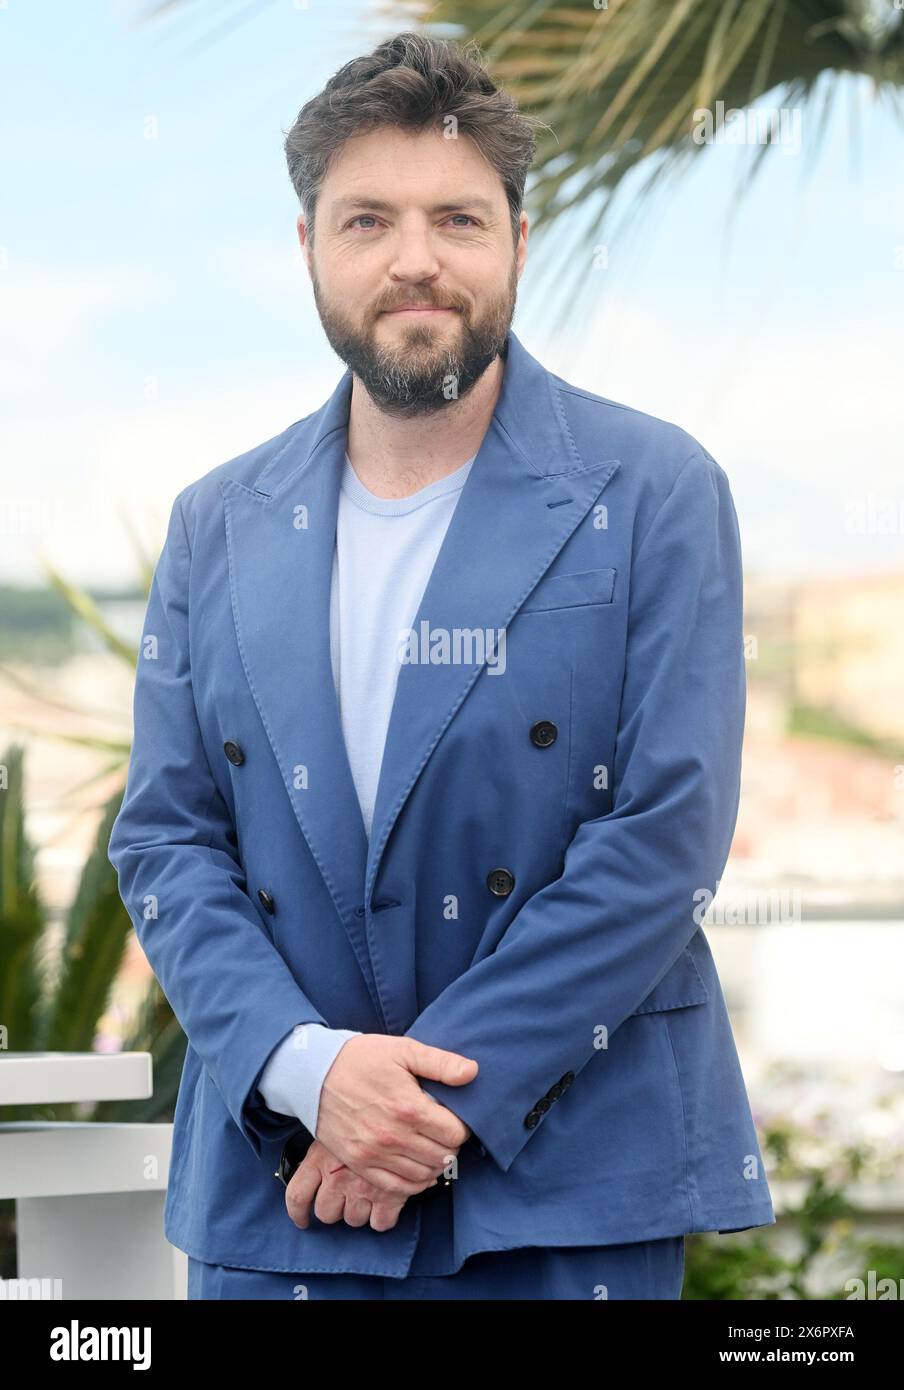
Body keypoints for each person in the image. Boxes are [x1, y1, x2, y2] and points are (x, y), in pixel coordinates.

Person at [108, 30, 775, 1302]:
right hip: (281, 1181)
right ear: (309, 249)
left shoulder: (654, 490)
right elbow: (166, 841)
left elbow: (665, 835)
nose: (416, 260)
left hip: (564, 1186)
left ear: (518, 244)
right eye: (368, 220)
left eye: (456, 219)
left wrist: (410, 1106)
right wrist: (311, 1073)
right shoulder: (217, 521)